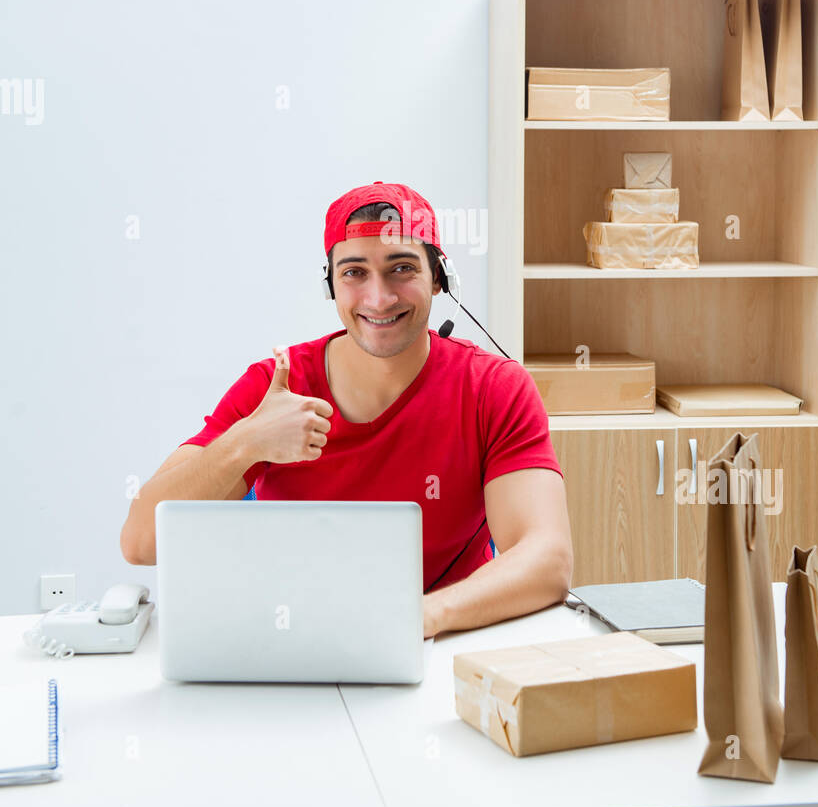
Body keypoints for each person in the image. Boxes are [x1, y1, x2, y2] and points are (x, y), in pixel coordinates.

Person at [120, 181, 573, 638]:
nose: (379, 298)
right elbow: (141, 542)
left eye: (401, 268)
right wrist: (246, 442)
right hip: (295, 639)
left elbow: (548, 559)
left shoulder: (494, 388)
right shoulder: (276, 386)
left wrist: (418, 619)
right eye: (355, 272)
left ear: (439, 277)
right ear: (331, 286)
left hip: (445, 640)